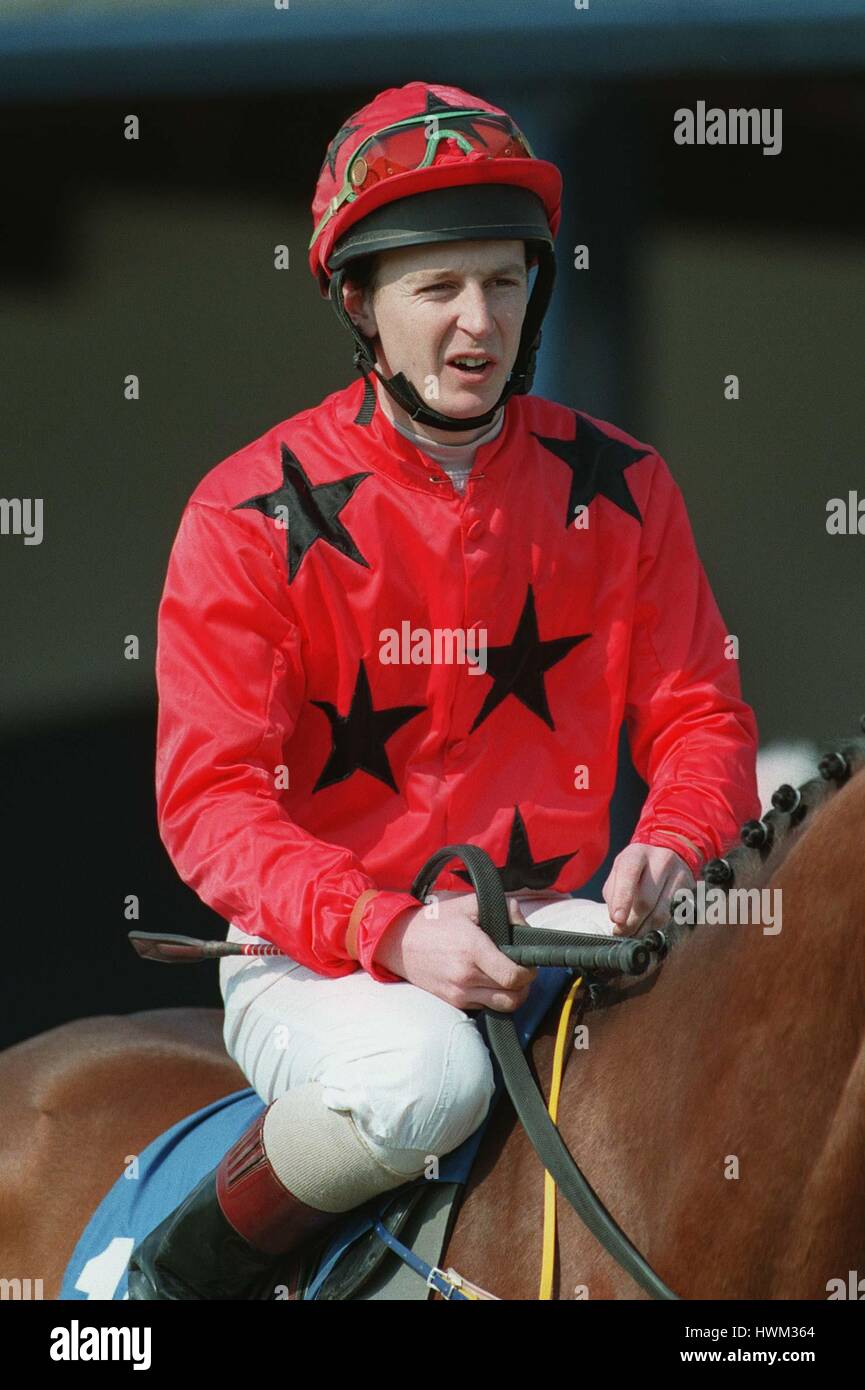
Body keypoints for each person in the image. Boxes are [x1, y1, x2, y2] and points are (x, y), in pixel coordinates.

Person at [127, 80, 760, 1300]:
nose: (480, 322)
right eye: (438, 288)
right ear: (360, 305)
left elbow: (702, 717)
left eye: (505, 281)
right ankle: (169, 1285)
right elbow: (210, 805)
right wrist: (390, 929)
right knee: (429, 1077)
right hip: (325, 962)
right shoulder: (242, 514)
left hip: (556, 931)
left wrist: (678, 842)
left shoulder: (620, 486)